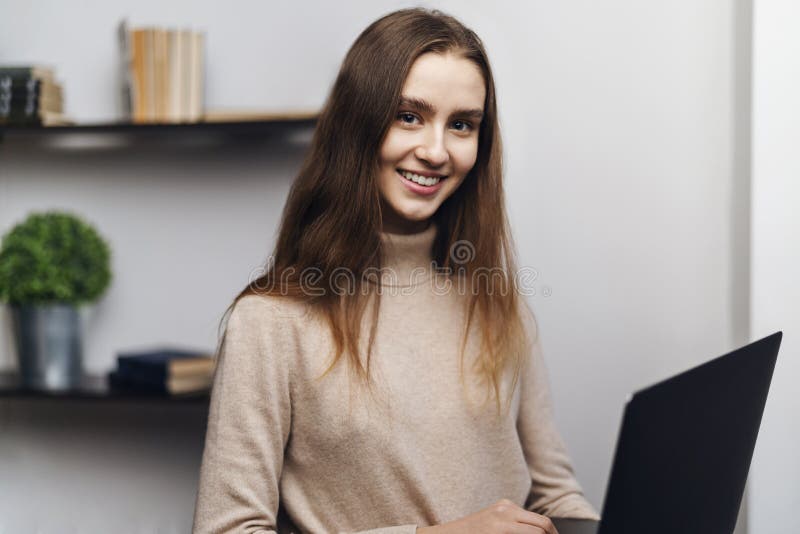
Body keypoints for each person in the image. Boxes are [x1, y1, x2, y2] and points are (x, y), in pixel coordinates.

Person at [192, 7, 599, 534]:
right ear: (357, 124)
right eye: (409, 115)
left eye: (461, 125)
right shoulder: (270, 322)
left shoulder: (499, 301)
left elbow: (555, 495)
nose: (435, 151)